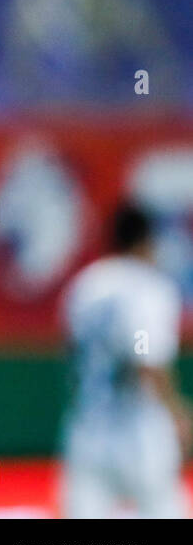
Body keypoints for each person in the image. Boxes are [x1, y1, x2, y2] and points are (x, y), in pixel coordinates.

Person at [59, 202, 191, 517]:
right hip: (140, 432)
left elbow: (74, 358)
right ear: (145, 241)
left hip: (88, 427)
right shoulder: (148, 287)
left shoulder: (84, 285)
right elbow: (147, 358)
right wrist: (177, 414)